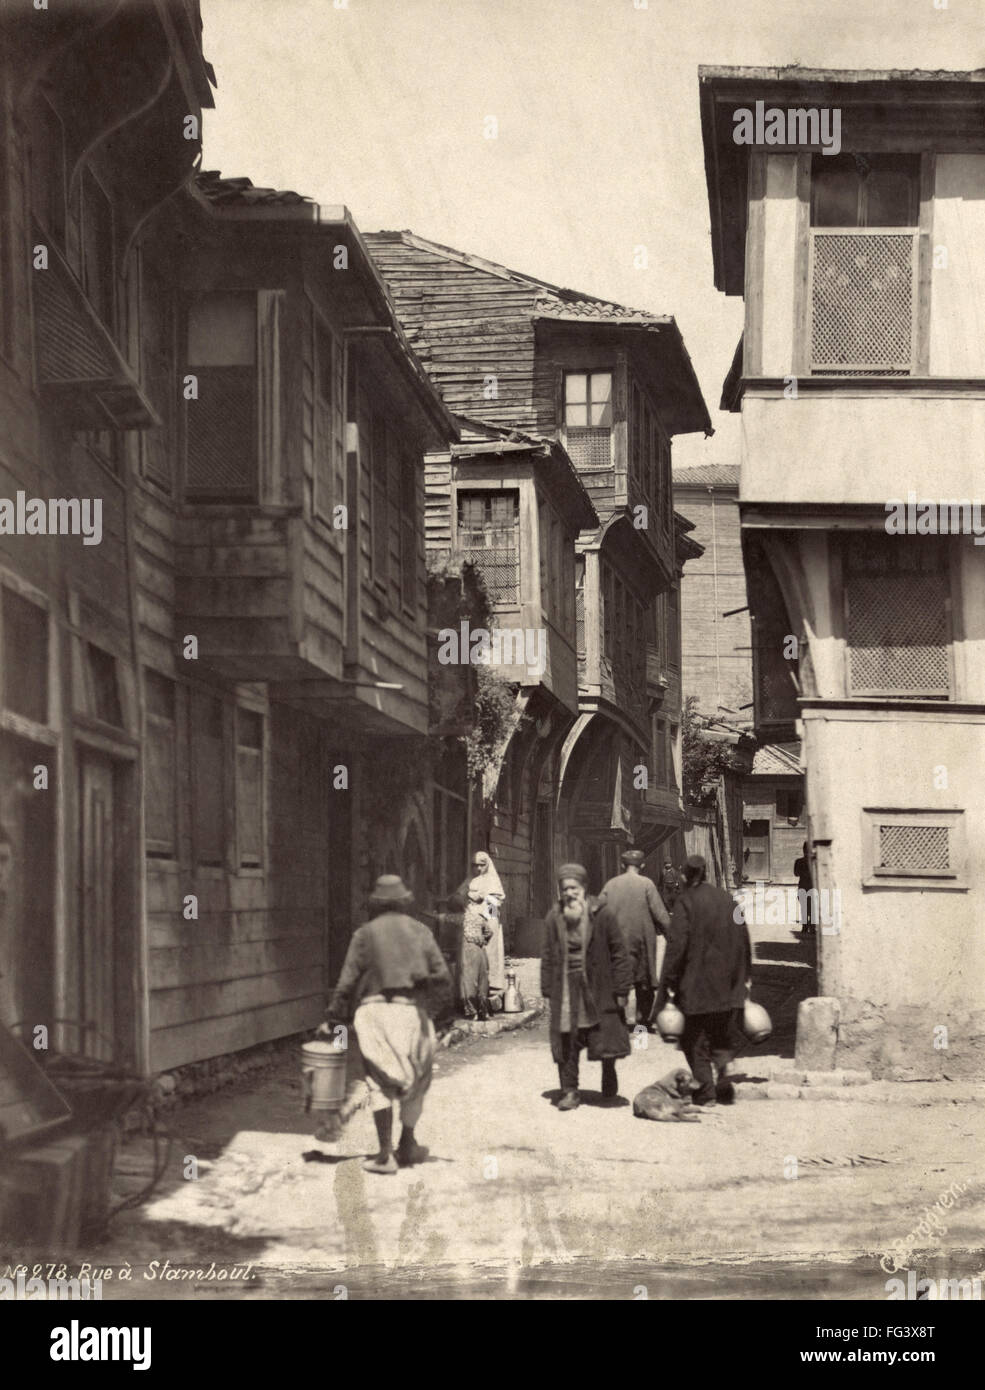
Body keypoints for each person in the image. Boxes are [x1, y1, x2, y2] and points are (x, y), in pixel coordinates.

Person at [322, 874, 451, 1174]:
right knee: (415, 1081)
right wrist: (441, 1017)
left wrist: (335, 1017)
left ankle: (384, 1155)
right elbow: (443, 978)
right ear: (405, 902)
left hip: (373, 1013)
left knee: (379, 1083)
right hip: (411, 1013)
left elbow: (347, 982)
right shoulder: (421, 931)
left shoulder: (363, 935)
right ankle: (407, 1143)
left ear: (375, 904)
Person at [657, 854, 752, 1108]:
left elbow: (676, 947)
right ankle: (723, 1073)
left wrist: (669, 982)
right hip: (727, 986)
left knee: (694, 1040)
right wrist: (744, 977)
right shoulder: (729, 900)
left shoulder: (685, 902)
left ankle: (707, 1092)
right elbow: (744, 938)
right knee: (720, 1035)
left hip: (696, 986)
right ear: (706, 873)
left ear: (686, 876)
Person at [540, 863, 632, 1110]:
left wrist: (622, 989)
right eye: (564, 888)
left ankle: (608, 1073)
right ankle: (570, 1091)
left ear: (584, 888)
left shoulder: (603, 914)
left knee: (603, 1036)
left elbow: (619, 953)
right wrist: (547, 990)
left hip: (599, 986)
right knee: (567, 1038)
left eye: (573, 887)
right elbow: (548, 955)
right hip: (567, 988)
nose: (569, 893)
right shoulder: (554, 917)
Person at [600, 849, 670, 1030]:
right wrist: (672, 936)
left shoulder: (611, 884)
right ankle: (642, 1020)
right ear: (643, 865)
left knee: (618, 978)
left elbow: (597, 909)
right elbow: (660, 914)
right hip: (642, 942)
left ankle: (618, 1018)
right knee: (643, 982)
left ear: (622, 865)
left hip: (616, 941)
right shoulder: (647, 884)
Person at [456, 850, 506, 997]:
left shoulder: (492, 880)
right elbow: (460, 895)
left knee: (489, 951)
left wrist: (483, 903)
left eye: (481, 865)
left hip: (488, 918)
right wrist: (462, 898)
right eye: (475, 865)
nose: (478, 869)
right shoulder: (470, 880)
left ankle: (491, 984)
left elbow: (495, 905)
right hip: (471, 919)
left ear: (487, 865)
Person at [794, 842, 816, 937]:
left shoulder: (798, 861)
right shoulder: (815, 861)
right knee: (813, 906)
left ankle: (805, 927)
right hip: (812, 886)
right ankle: (812, 927)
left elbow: (796, 873)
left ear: (803, 850)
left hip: (802, 885)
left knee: (804, 907)